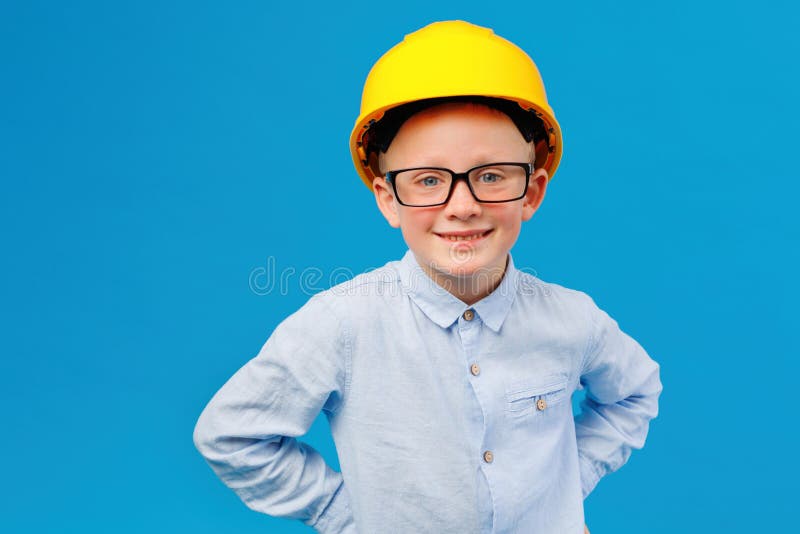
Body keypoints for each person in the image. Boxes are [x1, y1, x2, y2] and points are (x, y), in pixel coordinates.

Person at [193, 20, 662, 534]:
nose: (462, 206)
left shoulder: (573, 320)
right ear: (388, 199)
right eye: (429, 180)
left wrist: (566, 483)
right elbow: (230, 435)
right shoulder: (343, 325)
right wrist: (347, 514)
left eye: (490, 176)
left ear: (531, 192)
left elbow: (634, 392)